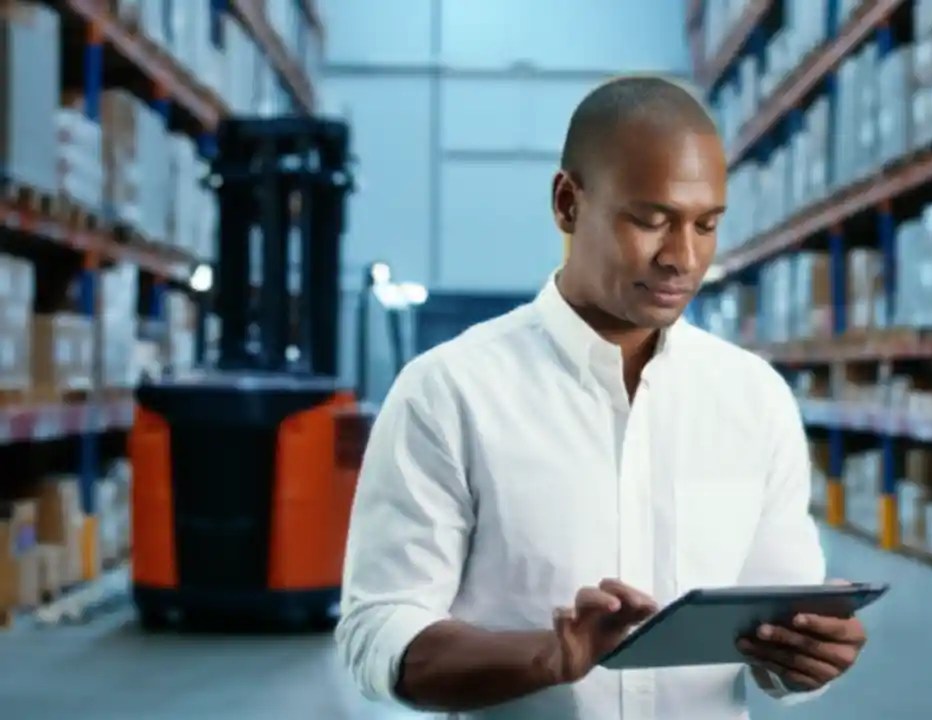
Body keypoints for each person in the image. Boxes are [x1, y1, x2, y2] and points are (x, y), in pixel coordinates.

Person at [336, 76, 867, 719]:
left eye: (706, 225)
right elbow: (379, 633)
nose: (683, 257)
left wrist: (811, 656)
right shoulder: (448, 393)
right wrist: (546, 659)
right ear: (567, 203)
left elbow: (782, 622)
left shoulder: (754, 399)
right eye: (651, 219)